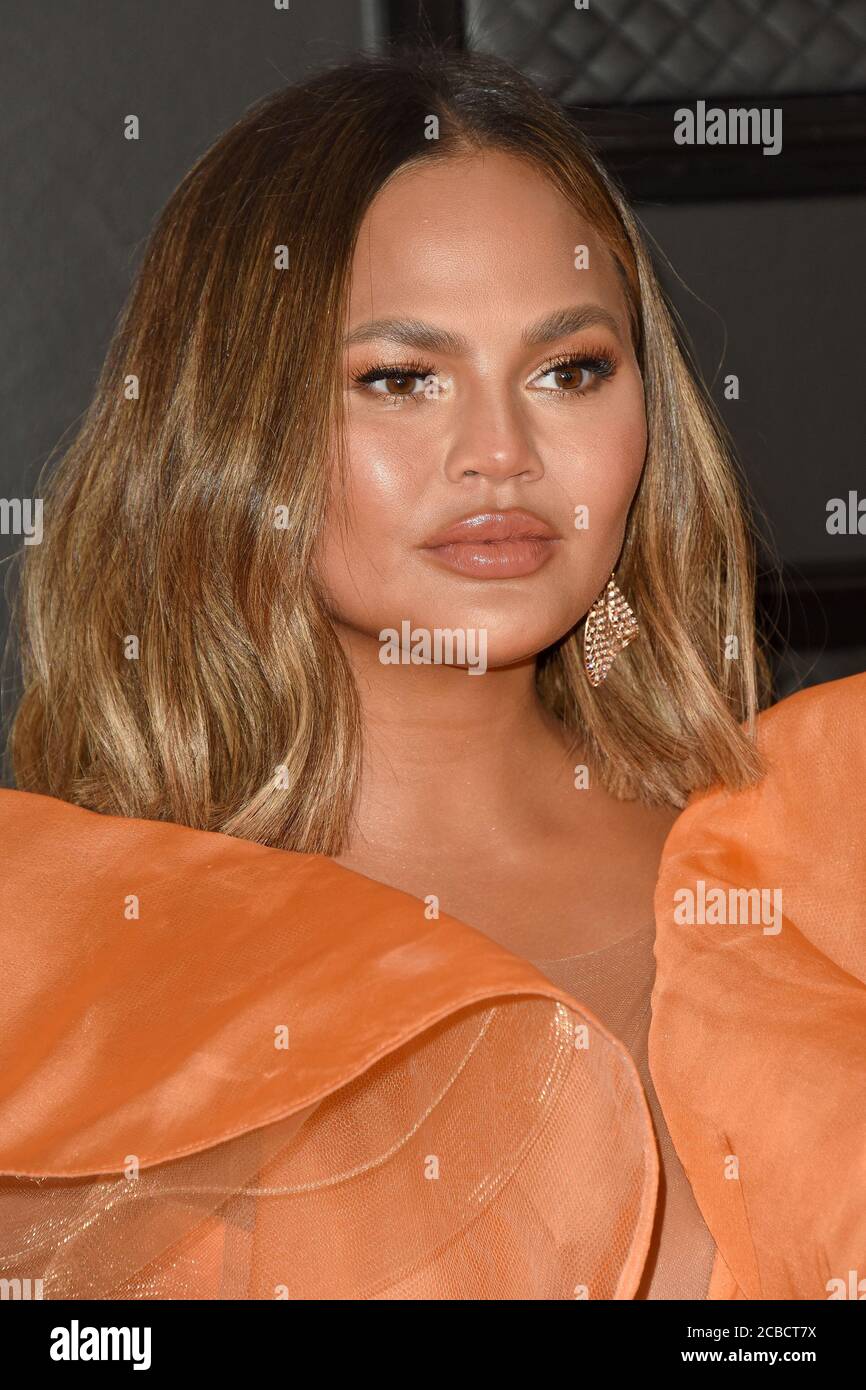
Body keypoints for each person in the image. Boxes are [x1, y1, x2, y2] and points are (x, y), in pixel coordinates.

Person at [1, 46, 863, 1302]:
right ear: (234, 427)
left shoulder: (825, 860)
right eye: (400, 379)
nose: (501, 455)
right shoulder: (79, 965)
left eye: (568, 370)